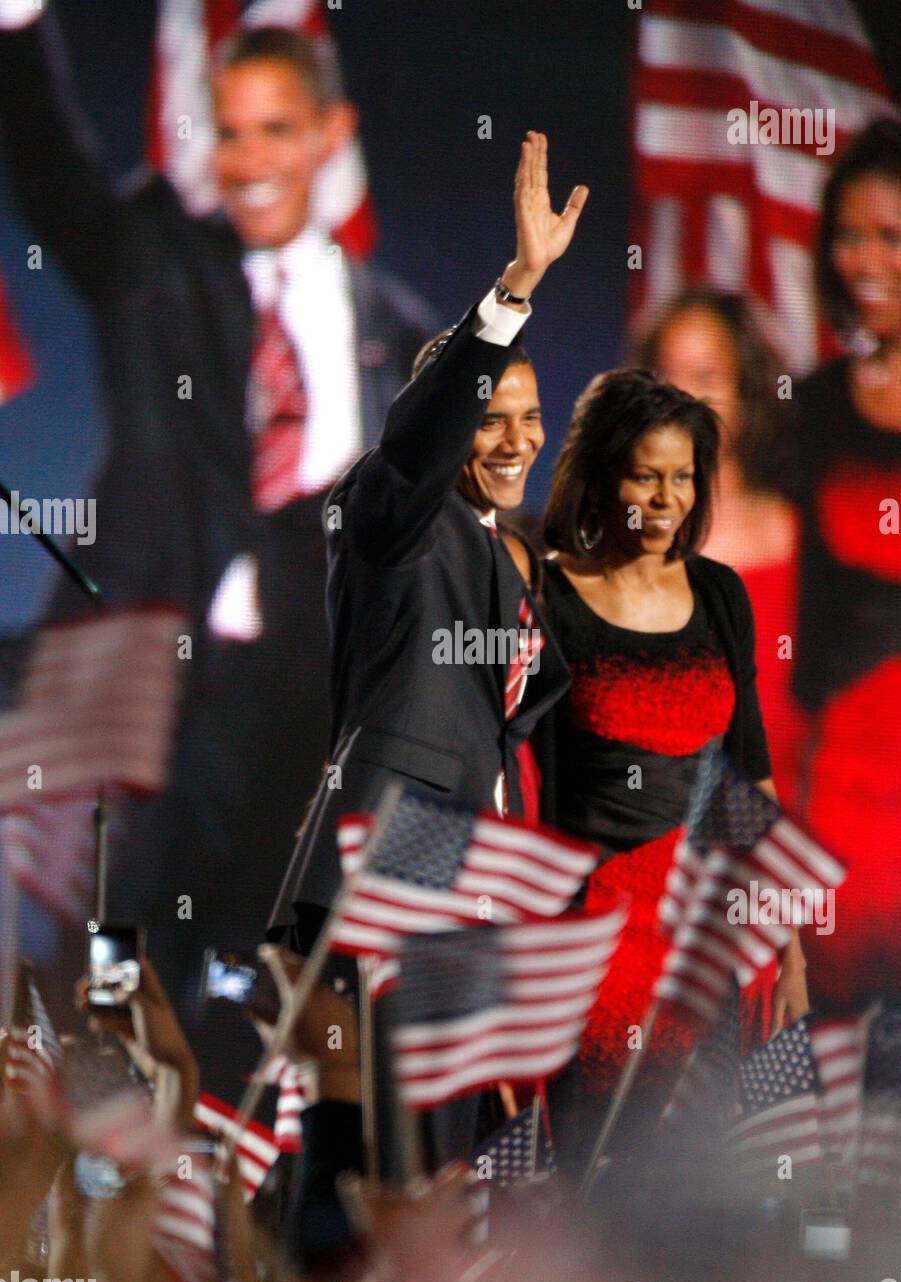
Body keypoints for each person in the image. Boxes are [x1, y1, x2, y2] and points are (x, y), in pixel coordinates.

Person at [0, 10, 435, 1092]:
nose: (248, 162)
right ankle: (98, 1247)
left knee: (276, 1025)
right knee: (107, 1010)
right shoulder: (158, 266)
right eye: (229, 134)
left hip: (302, 726)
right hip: (158, 709)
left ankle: (251, 1243)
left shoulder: (397, 330)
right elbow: (54, 175)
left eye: (275, 130)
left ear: (331, 134)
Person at [269, 131, 586, 1172]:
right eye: (490, 417)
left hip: (473, 911)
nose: (514, 440)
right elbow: (417, 442)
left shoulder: (508, 559)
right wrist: (517, 288)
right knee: (367, 1185)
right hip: (389, 887)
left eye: (532, 420)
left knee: (455, 1195)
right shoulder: (388, 513)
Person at [537, 369, 808, 1158]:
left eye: (683, 478)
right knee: (601, 1187)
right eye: (645, 476)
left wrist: (790, 947)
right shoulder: (550, 596)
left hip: (716, 947)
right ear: (602, 475)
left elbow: (751, 773)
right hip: (600, 954)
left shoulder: (721, 593)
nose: (666, 499)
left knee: (702, 1199)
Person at [784, 114, 901, 1009]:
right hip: (847, 811)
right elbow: (790, 631)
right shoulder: (815, 414)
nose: (863, 262)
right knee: (846, 1106)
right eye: (848, 237)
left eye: (890, 236)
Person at [637, 288, 808, 808]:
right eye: (670, 377)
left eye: (707, 378)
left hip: (782, 848)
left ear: (748, 389)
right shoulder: (619, 544)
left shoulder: (800, 537)